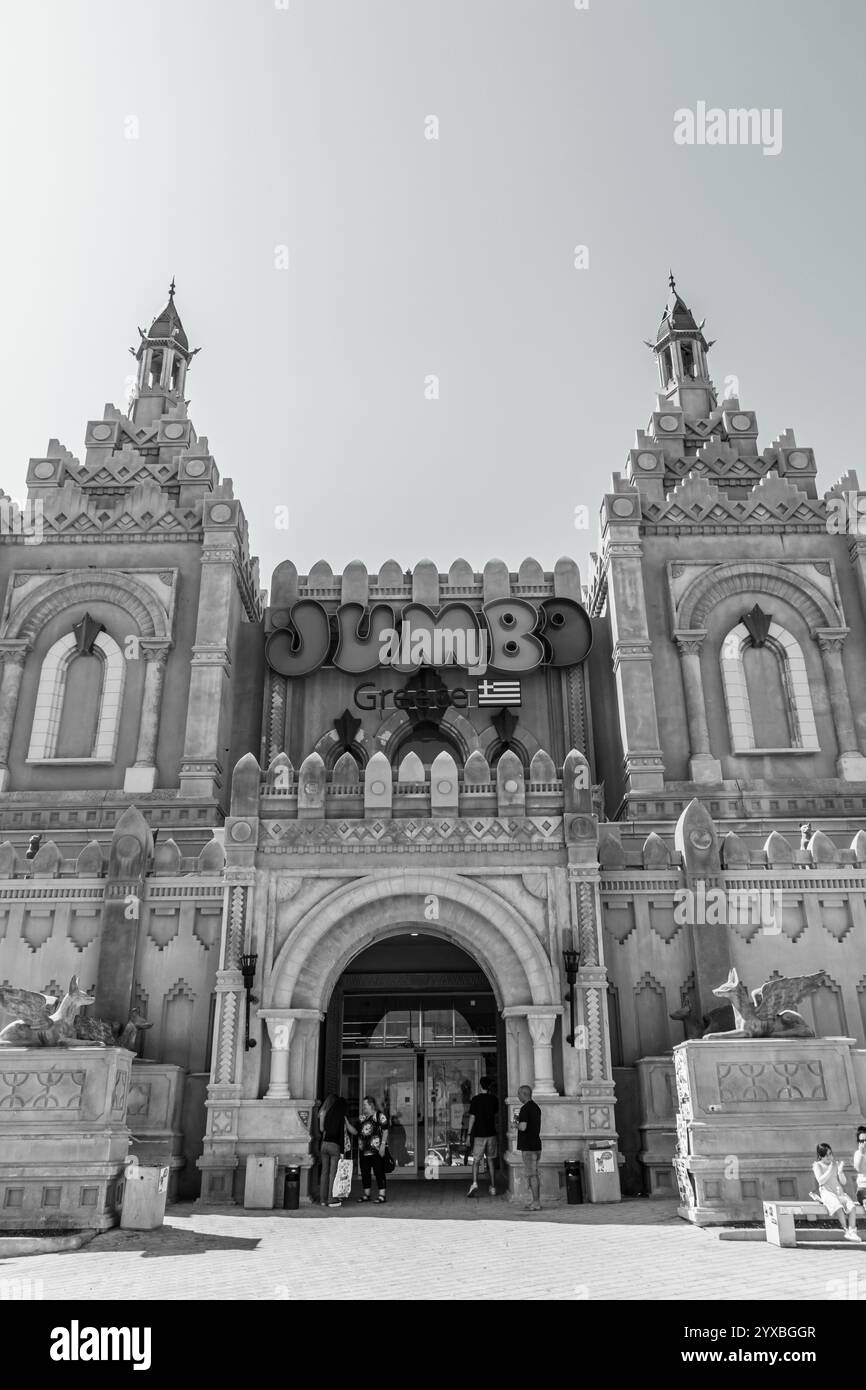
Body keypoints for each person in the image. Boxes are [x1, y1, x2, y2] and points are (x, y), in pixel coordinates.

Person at [811, 1142, 861, 1241]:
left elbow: (843, 1182)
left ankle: (852, 1231)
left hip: (839, 1192)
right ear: (820, 1156)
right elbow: (820, 1180)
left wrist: (840, 1171)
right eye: (825, 1155)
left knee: (852, 1207)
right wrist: (830, 1169)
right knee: (838, 1206)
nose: (829, 1157)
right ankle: (846, 1230)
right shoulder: (817, 1165)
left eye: (830, 1153)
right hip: (826, 1192)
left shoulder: (835, 1164)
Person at [318, 1093, 356, 1209]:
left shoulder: (328, 1114)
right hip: (335, 1146)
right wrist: (342, 1151)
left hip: (324, 1145)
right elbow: (344, 1133)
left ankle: (323, 1200)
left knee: (324, 1173)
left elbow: (323, 1129)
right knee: (333, 1174)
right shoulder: (342, 1116)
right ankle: (332, 1199)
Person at [466, 1075, 499, 1197]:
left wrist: (469, 1134)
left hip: (479, 1134)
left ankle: (474, 1183)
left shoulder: (475, 1099)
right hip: (491, 1134)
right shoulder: (494, 1099)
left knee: (476, 1161)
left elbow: (472, 1117)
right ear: (489, 1087)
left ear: (480, 1086)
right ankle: (493, 1187)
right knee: (490, 1160)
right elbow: (495, 1114)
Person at [356, 1095, 389, 1203]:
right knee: (365, 1173)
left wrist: (383, 1146)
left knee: (379, 1172)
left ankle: (382, 1195)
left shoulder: (380, 1116)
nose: (363, 1107)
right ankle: (366, 1194)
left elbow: (385, 1130)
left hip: (376, 1150)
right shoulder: (362, 1118)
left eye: (365, 1105)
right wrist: (346, 1123)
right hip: (364, 1151)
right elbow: (357, 1132)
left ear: (371, 1105)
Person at [516, 1084, 542, 1212]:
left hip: (528, 1147)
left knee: (532, 1175)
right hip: (536, 1145)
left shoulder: (525, 1109)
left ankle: (536, 1202)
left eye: (519, 1094)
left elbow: (523, 1127)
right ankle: (534, 1201)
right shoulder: (536, 1107)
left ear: (524, 1094)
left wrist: (515, 1123)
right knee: (533, 1174)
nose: (518, 1097)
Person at [853, 1127, 866, 1211]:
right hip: (864, 1190)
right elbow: (860, 1169)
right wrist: (862, 1154)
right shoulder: (858, 1154)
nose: (864, 1143)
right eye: (861, 1141)